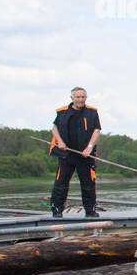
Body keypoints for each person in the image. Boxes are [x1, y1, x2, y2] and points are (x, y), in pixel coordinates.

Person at [49, 87, 102, 218]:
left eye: (83, 97)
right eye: (78, 97)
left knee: (88, 184)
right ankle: (57, 211)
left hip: (85, 155)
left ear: (86, 97)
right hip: (66, 155)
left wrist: (89, 147)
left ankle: (90, 211)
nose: (80, 99)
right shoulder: (62, 112)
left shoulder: (92, 112)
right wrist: (60, 141)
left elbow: (96, 130)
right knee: (61, 184)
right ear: (72, 98)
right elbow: (54, 128)